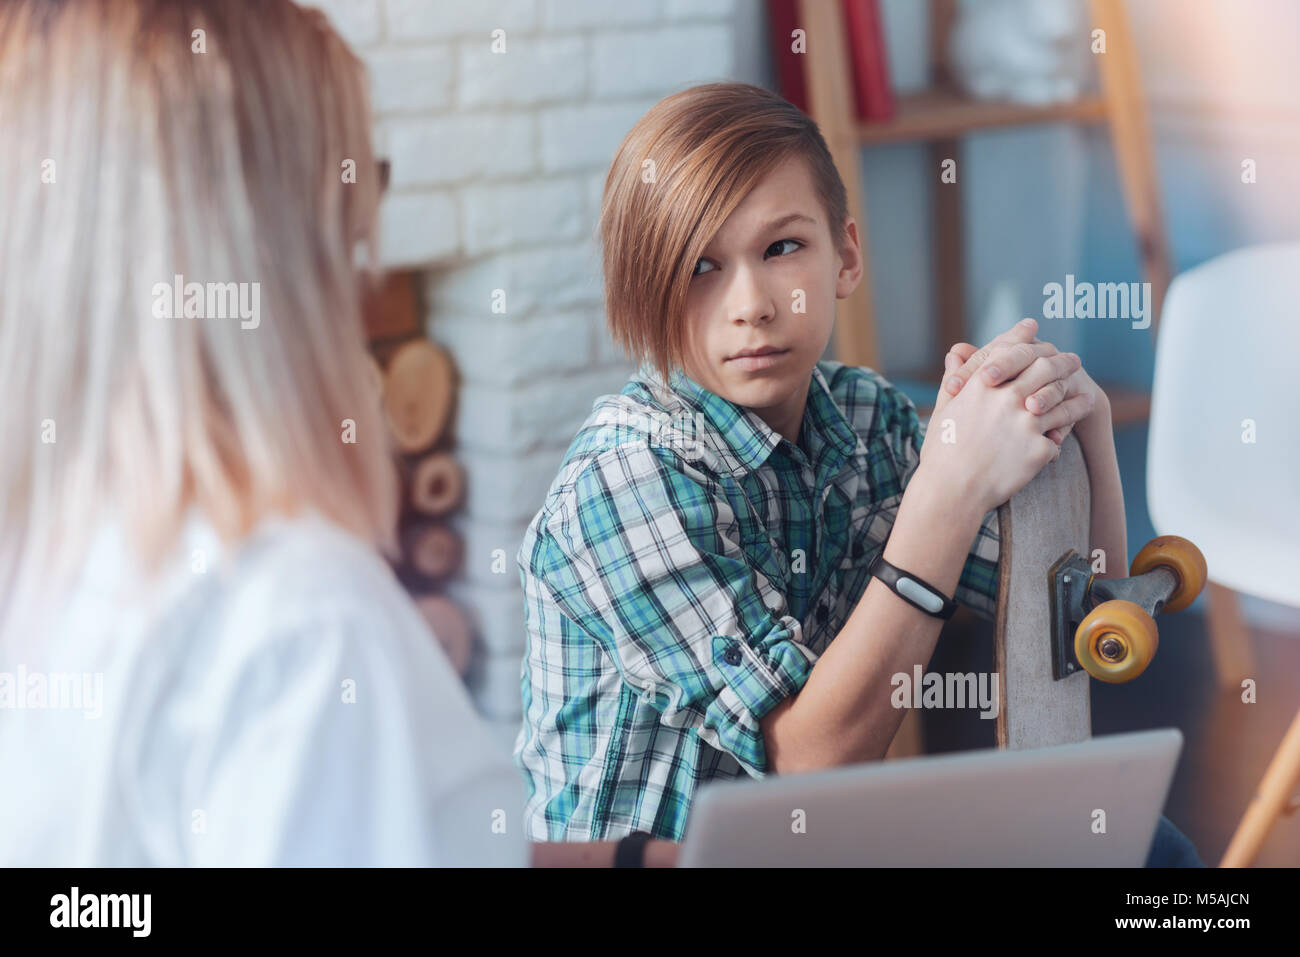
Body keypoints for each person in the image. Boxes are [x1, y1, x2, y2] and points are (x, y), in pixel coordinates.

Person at [0, 0, 659, 868]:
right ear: (271, 236)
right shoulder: (300, 619)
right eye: (355, 185)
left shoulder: (59, 556)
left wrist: (626, 860)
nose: (367, 241)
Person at [515, 82, 1203, 867]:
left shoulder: (866, 417)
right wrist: (947, 488)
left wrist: (1085, 429)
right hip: (681, 854)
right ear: (648, 289)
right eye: (701, 266)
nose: (752, 305)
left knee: (1149, 853)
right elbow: (809, 761)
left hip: (812, 843)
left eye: (781, 249)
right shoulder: (622, 481)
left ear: (845, 255)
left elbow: (1078, 619)